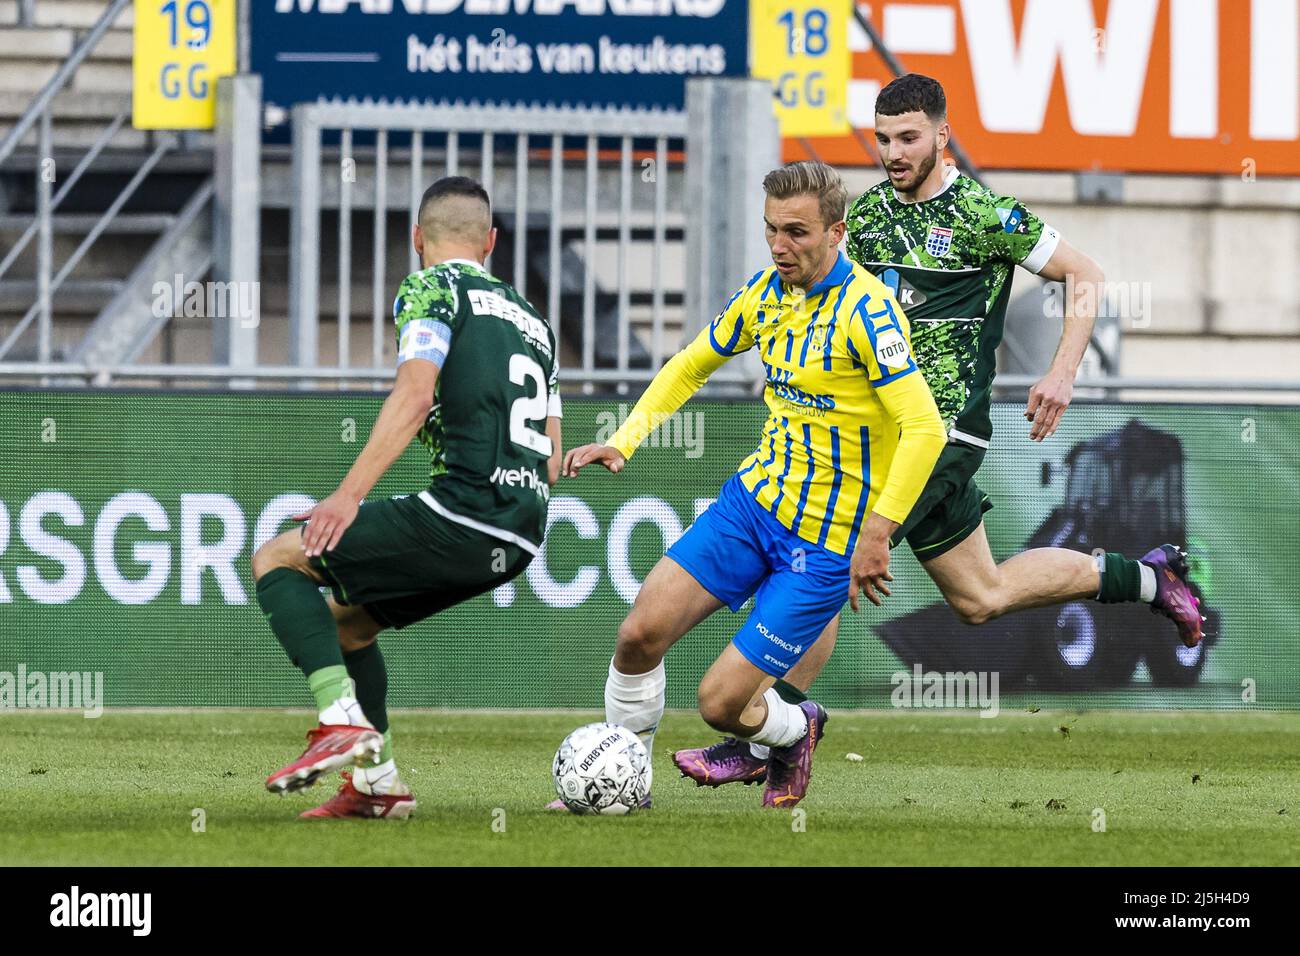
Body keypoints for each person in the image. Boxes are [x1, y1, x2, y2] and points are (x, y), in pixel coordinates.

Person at [672, 74, 1203, 789]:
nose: (893, 151)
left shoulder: (984, 214)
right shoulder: (862, 219)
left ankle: (769, 737)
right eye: (883, 137)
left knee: (822, 552)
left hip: (940, 436)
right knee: (980, 597)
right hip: (873, 434)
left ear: (942, 136)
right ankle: (1148, 577)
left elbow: (1085, 274)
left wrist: (1061, 374)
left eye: (908, 137)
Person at [560, 161, 947, 808]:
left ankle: (798, 729)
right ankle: (624, 783)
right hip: (750, 507)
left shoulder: (868, 314)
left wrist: (877, 533)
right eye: (770, 230)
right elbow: (690, 365)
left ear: (836, 233)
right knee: (637, 637)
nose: (778, 246)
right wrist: (623, 438)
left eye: (795, 232)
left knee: (720, 704)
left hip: (825, 541)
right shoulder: (765, 294)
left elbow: (925, 428)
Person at [250, 176, 562, 819]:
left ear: (417, 238)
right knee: (347, 626)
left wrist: (346, 496)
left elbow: (415, 395)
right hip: (524, 533)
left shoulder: (432, 287)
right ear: (491, 243)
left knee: (279, 558)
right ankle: (378, 786)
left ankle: (339, 721)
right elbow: (552, 462)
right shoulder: (536, 323)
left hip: (466, 513)